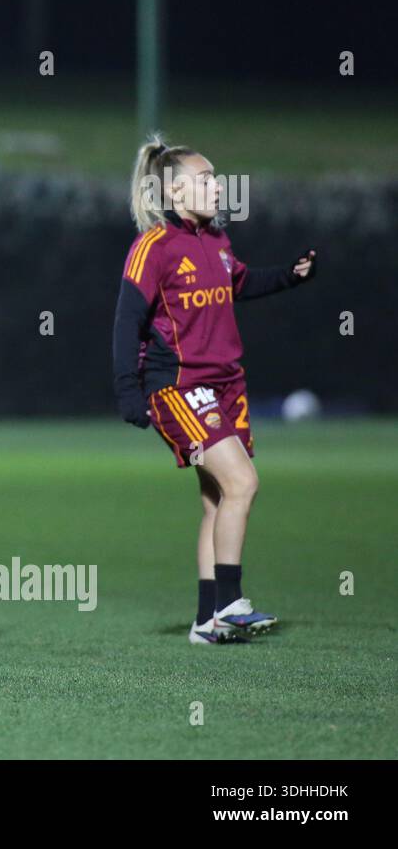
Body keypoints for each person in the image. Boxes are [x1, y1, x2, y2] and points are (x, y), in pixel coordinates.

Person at [112, 135, 317, 644]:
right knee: (243, 484)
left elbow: (240, 283)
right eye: (205, 180)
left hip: (228, 386)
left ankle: (207, 622)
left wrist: (289, 278)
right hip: (180, 389)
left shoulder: (218, 242)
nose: (218, 186)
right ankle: (229, 603)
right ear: (176, 192)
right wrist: (128, 392)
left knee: (217, 499)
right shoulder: (153, 247)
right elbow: (125, 322)